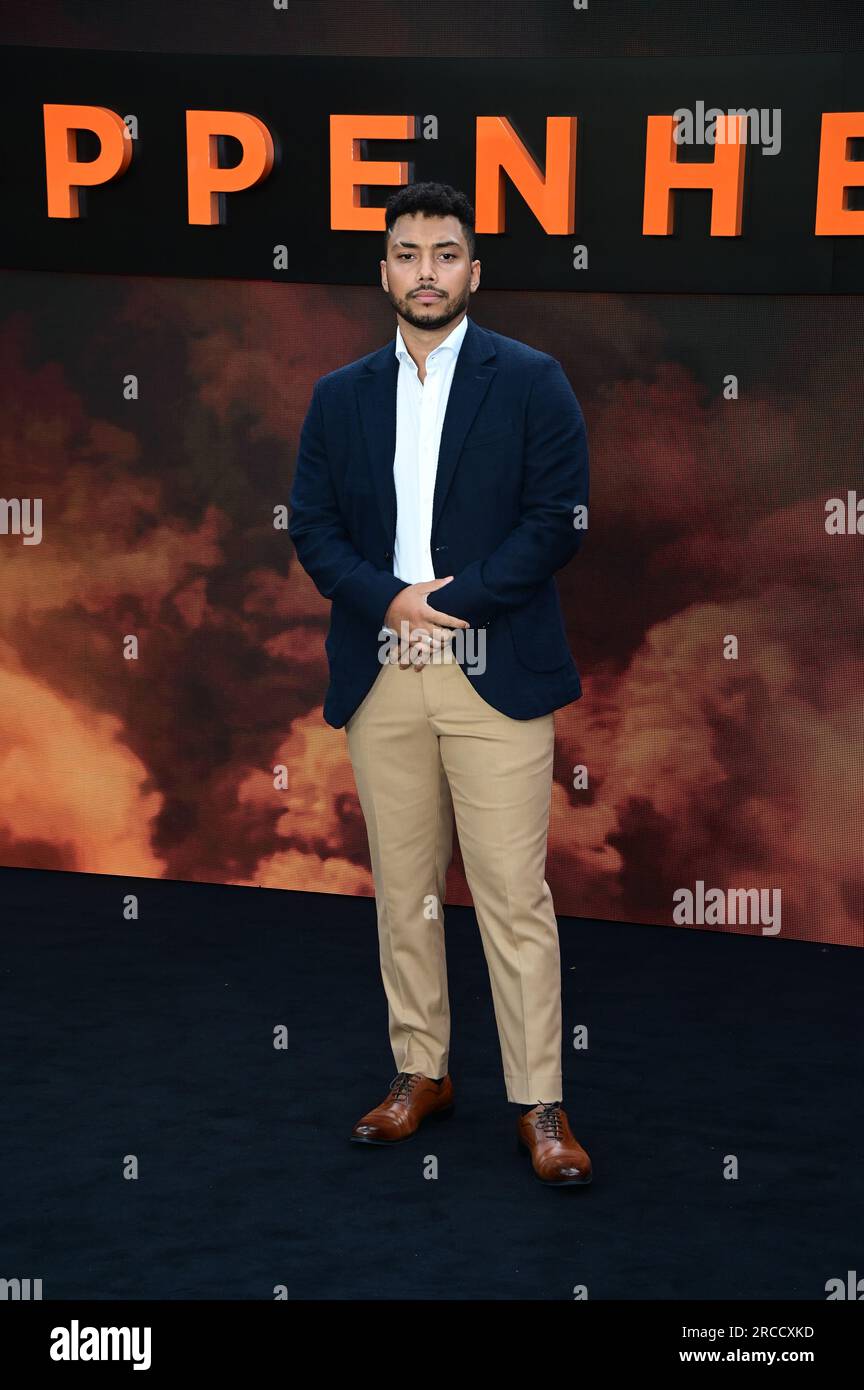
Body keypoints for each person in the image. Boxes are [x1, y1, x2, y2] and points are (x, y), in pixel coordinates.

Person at [288, 181, 591, 1186]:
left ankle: (541, 1101)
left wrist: (445, 603)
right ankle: (421, 1071)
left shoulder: (535, 379)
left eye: (445, 253)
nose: (426, 270)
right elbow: (315, 528)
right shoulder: (340, 395)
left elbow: (556, 521)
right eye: (407, 253)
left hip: (492, 667)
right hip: (382, 673)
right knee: (405, 894)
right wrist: (391, 606)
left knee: (513, 895)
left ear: (472, 269)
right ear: (384, 272)